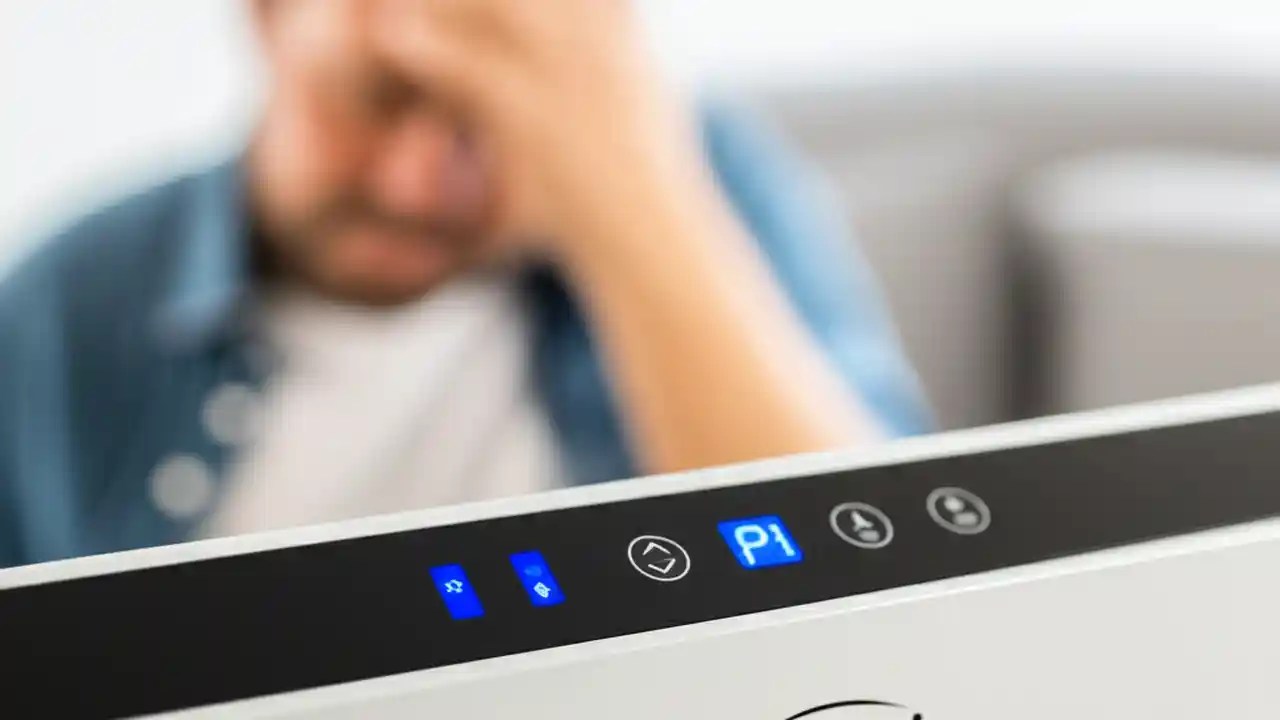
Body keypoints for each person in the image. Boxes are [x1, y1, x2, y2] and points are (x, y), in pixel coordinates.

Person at [0, 0, 929, 568]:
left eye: (487, 125)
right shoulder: (69, 300)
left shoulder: (694, 184)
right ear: (269, 17)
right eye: (376, 96)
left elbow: (874, 564)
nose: (417, 182)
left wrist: (631, 192)